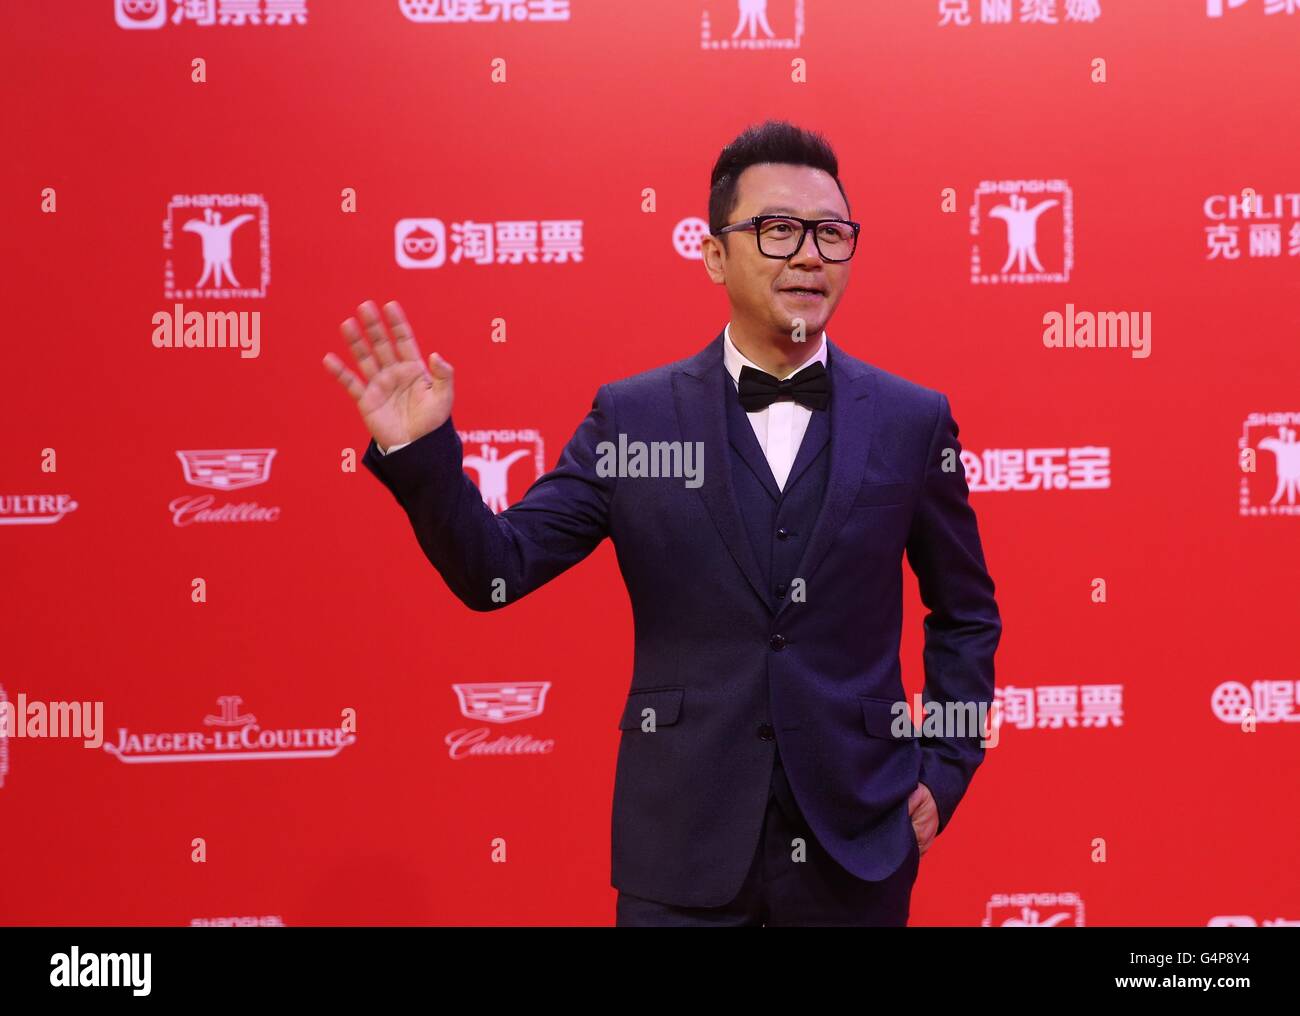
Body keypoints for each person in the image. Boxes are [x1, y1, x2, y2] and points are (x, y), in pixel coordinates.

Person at [322, 120, 1002, 926]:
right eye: (777, 230)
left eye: (831, 234)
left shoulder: (911, 420)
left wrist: (947, 766)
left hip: (856, 848)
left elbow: (965, 614)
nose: (809, 255)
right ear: (715, 254)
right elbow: (493, 570)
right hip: (680, 852)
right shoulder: (634, 418)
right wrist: (421, 451)